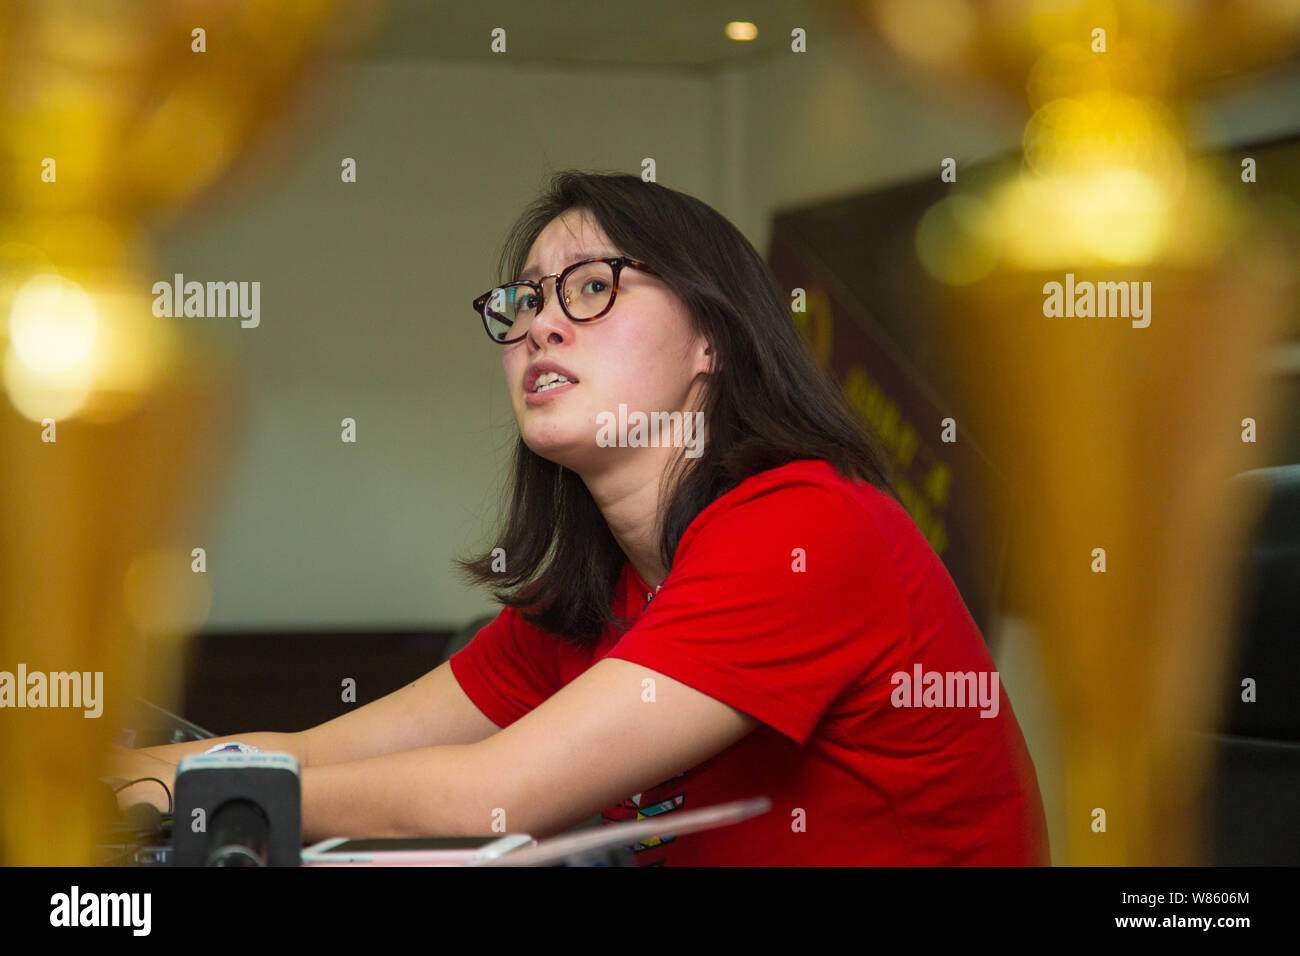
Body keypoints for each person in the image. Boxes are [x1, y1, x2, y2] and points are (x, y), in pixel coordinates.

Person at [114, 170, 1049, 865]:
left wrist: (204, 800)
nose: (540, 326)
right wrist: (105, 780)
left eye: (592, 286)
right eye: (523, 301)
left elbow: (493, 795)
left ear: (713, 339)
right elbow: (312, 752)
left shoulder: (805, 531)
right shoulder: (595, 599)